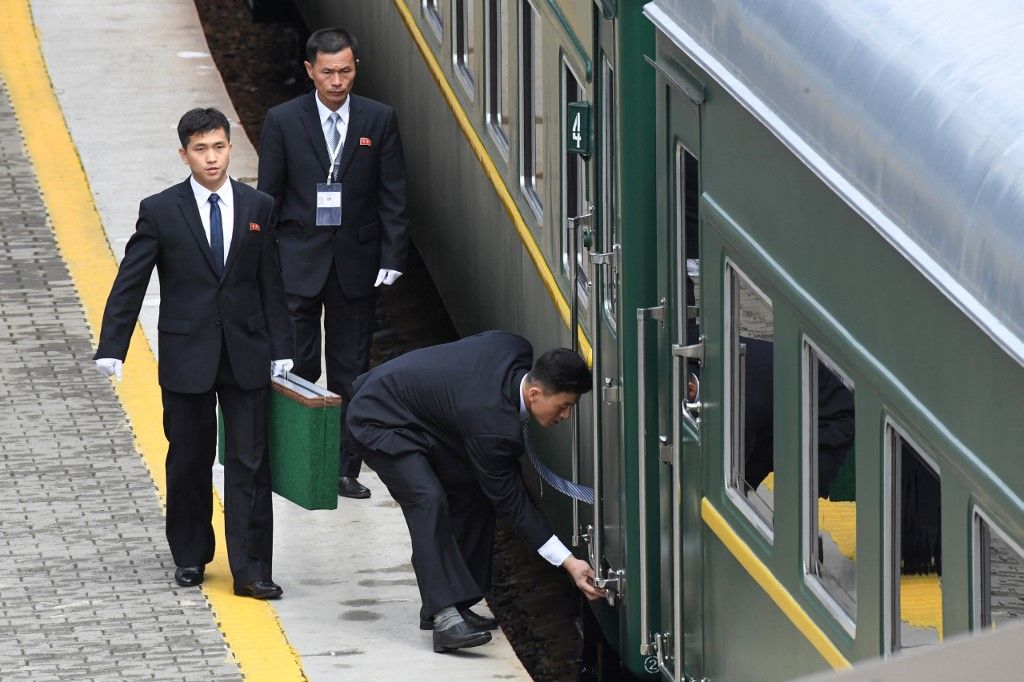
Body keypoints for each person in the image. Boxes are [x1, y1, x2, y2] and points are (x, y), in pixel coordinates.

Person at [94, 108, 294, 599]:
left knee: (251, 462)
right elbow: (131, 279)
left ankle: (252, 569)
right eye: (201, 149)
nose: (212, 157)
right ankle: (189, 555)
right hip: (188, 357)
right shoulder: (161, 209)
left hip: (246, 352)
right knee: (188, 459)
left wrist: (283, 348)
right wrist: (113, 346)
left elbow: (272, 281)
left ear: (231, 148)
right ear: (184, 154)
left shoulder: (258, 205)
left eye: (219, 147)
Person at [345, 331, 607, 653]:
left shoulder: (516, 350)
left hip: (421, 419)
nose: (566, 416)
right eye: (564, 406)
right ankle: (443, 618)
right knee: (428, 499)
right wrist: (569, 562)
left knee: (475, 491)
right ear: (535, 393)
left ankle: (459, 602)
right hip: (379, 418)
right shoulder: (492, 427)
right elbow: (514, 504)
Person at [257, 27, 410, 500]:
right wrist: (264, 262)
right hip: (298, 262)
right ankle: (294, 461)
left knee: (350, 372)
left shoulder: (378, 118)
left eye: (345, 71)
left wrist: (393, 254)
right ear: (310, 72)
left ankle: (345, 468)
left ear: (355, 67)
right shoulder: (283, 120)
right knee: (295, 367)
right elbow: (269, 196)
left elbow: (394, 192)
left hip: (355, 264)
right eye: (328, 73)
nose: (337, 81)